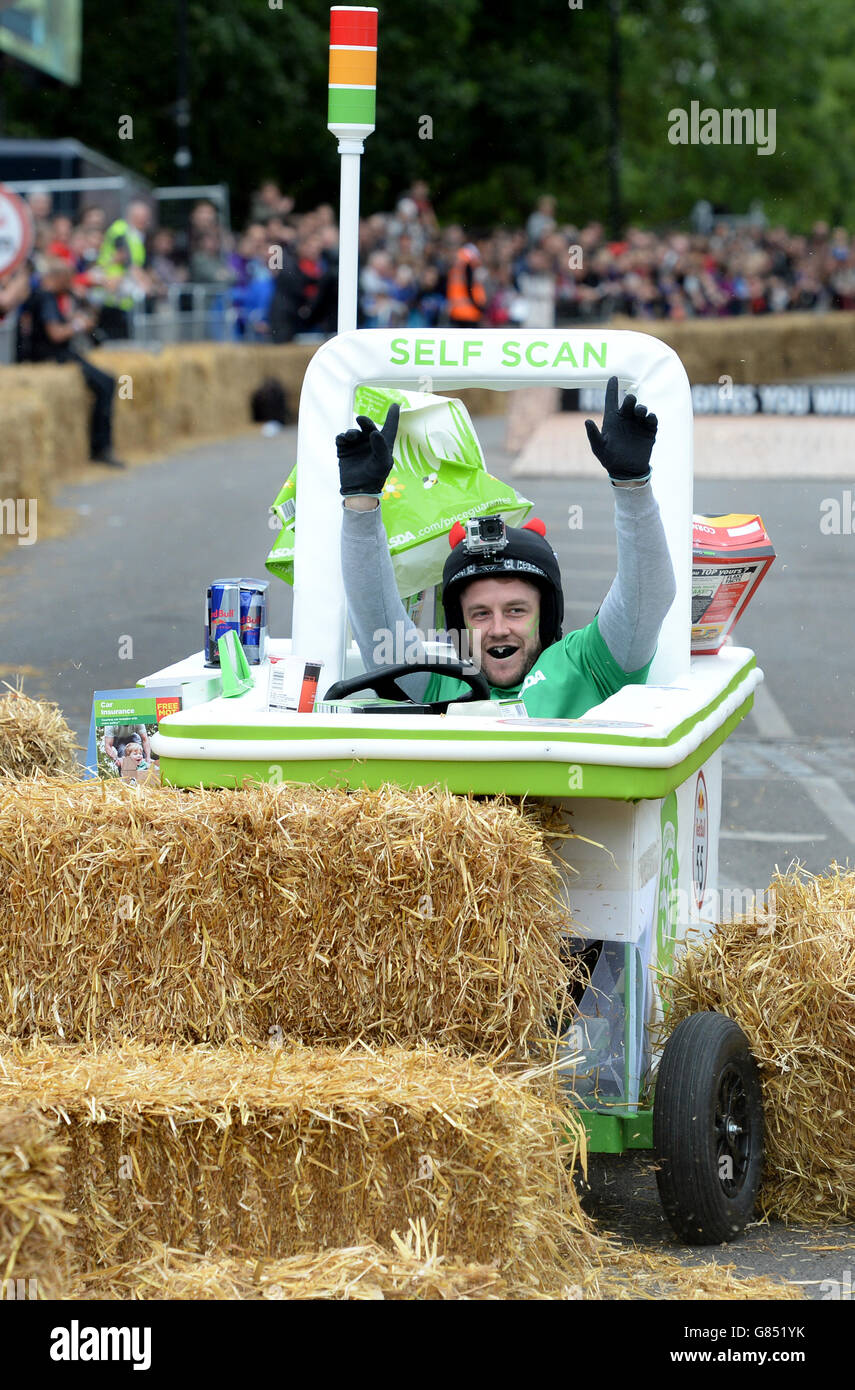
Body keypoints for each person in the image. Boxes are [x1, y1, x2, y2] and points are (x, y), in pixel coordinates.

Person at [337, 377, 676, 717]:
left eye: (516, 610)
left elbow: (648, 595)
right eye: (480, 614)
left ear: (546, 615)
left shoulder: (589, 664)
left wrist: (633, 485)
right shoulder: (433, 681)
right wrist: (361, 503)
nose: (498, 630)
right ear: (459, 627)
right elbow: (373, 614)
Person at [22, 258, 124, 467]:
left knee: (107, 381)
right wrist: (78, 324)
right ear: (58, 278)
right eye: (68, 280)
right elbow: (56, 335)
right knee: (107, 383)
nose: (70, 285)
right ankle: (101, 448)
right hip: (53, 357)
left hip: (55, 355)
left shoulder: (43, 297)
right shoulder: (46, 298)